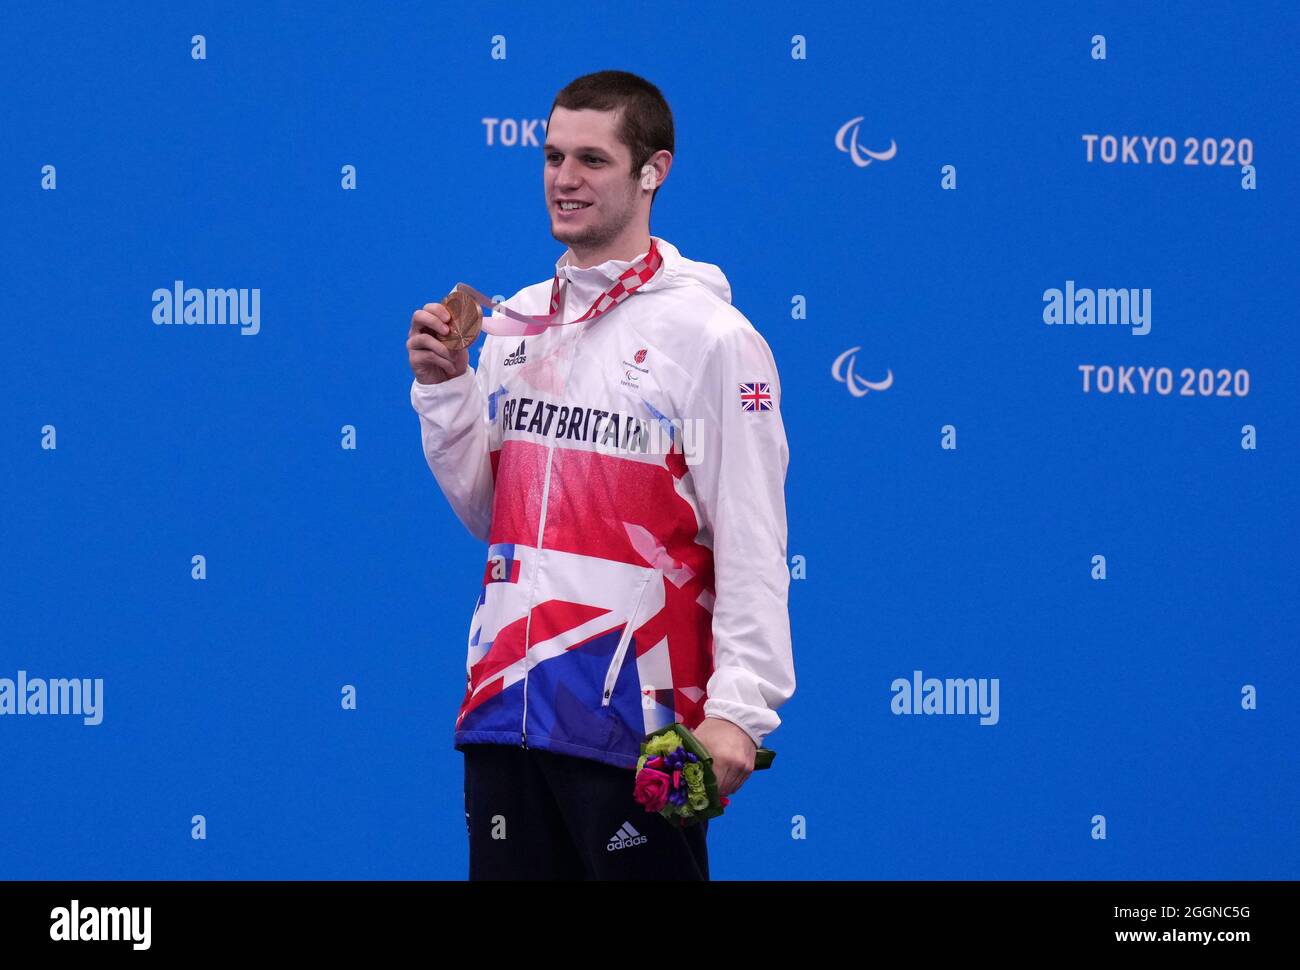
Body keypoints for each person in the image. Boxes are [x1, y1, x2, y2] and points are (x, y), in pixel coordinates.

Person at [406, 70, 794, 880]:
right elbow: (492, 514)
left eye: (591, 159)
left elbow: (754, 543)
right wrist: (447, 391)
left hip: (639, 733)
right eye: (552, 157)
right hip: (505, 714)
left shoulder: (713, 340)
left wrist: (740, 716)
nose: (564, 179)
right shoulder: (514, 325)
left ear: (653, 172)